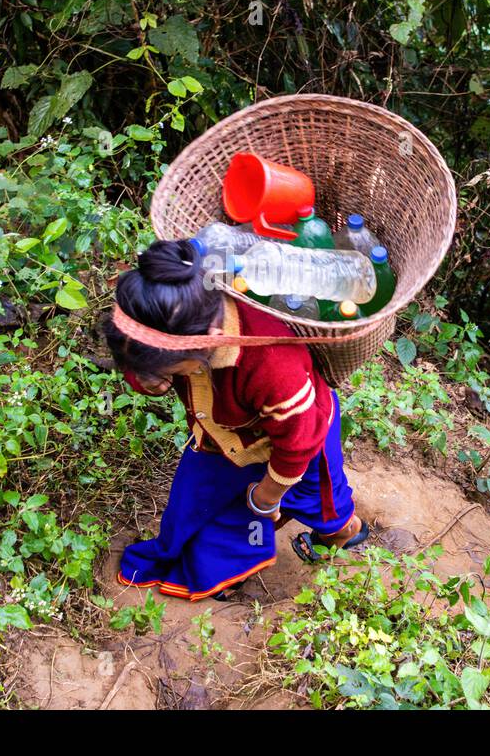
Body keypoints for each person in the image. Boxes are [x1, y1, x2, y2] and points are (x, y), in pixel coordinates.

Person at [102, 239, 369, 601]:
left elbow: (298, 443)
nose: (157, 376)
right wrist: (148, 377)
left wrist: (266, 497)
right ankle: (226, 564)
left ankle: (342, 533)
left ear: (207, 343)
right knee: (195, 506)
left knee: (321, 505)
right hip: (222, 435)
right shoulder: (182, 317)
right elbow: (145, 358)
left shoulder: (272, 367)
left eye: (164, 369)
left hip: (301, 437)